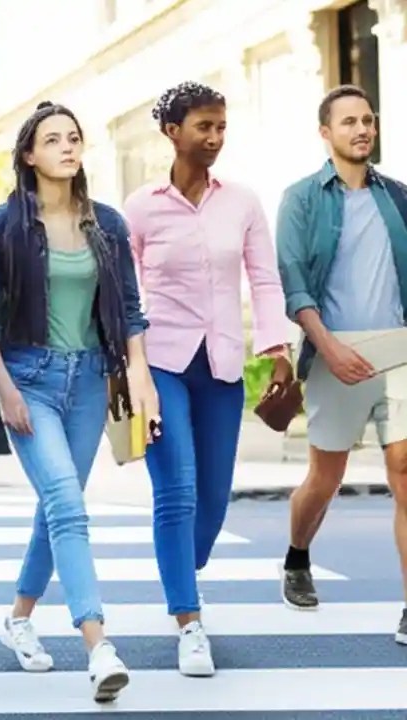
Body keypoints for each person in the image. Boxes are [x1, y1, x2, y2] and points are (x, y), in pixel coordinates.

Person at [0, 101, 159, 703]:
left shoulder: (107, 224)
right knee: (69, 507)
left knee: (60, 505)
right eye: (53, 140)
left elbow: (128, 308)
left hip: (91, 381)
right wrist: (4, 390)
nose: (67, 148)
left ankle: (19, 617)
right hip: (30, 380)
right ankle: (98, 645)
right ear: (29, 155)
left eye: (74, 138)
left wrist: (140, 378)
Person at [121, 81, 293, 676]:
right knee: (177, 489)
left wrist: (277, 348)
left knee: (214, 503)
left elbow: (264, 279)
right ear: (173, 132)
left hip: (221, 367)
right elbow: (123, 290)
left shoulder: (242, 201)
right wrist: (125, 363)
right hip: (160, 365)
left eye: (221, 127)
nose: (215, 137)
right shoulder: (139, 206)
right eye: (204, 127)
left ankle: (178, 571)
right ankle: (188, 621)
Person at [275, 84, 407, 646]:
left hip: (400, 351)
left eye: (369, 120)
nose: (362, 129)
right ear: (325, 132)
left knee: (404, 470)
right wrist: (326, 348)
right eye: (349, 121)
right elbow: (294, 281)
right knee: (325, 479)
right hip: (334, 350)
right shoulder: (303, 198)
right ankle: (298, 555)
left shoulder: (399, 196)